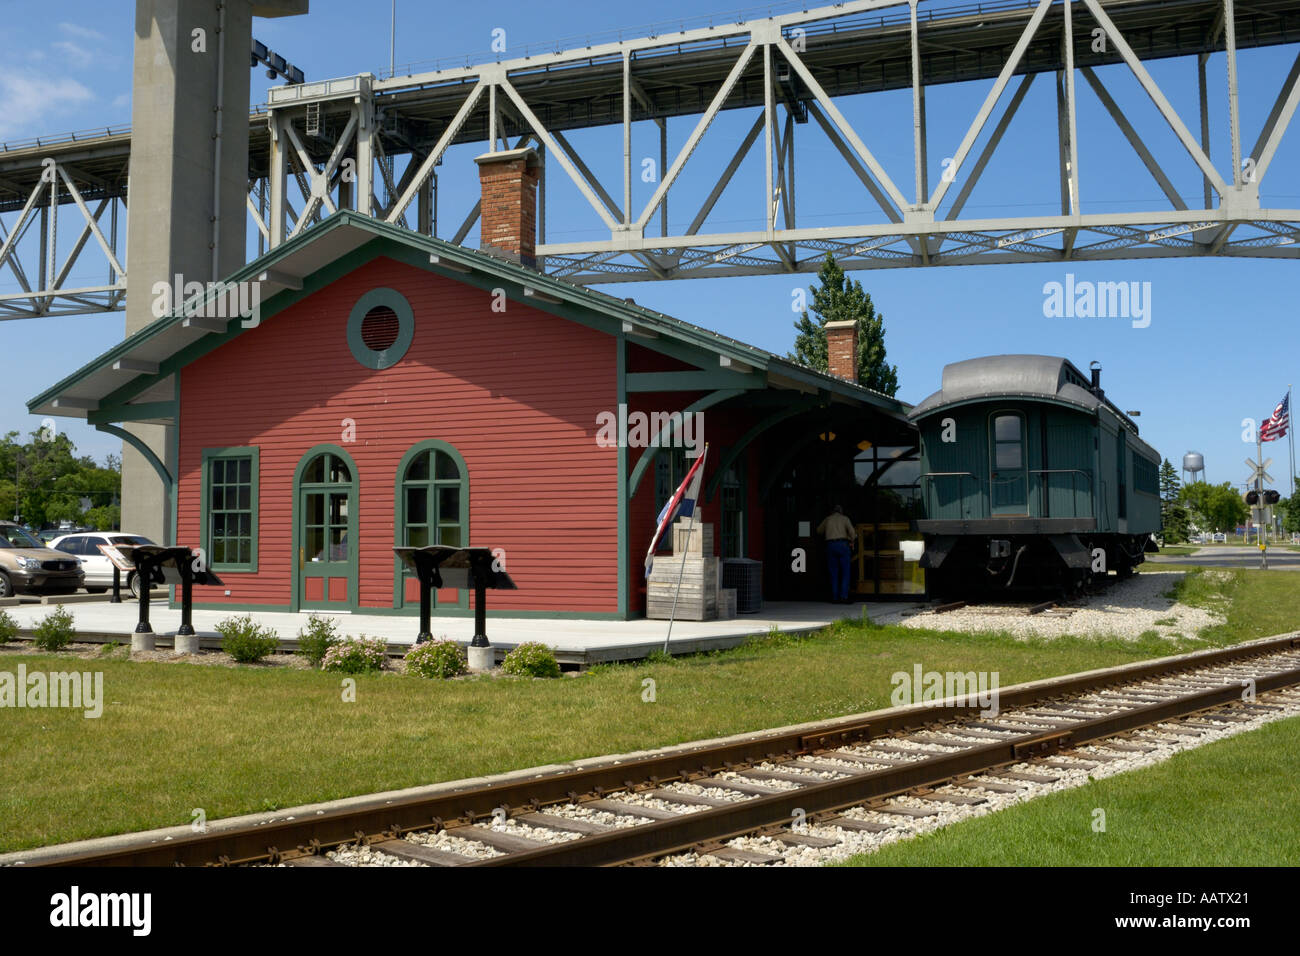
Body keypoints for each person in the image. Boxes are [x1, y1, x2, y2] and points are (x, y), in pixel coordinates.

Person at [817, 504, 856, 604]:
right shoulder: (845, 519)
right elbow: (853, 533)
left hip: (830, 545)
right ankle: (843, 597)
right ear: (841, 511)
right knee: (845, 572)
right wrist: (852, 540)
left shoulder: (827, 519)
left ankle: (835, 597)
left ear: (832, 511)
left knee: (833, 573)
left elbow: (819, 531)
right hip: (843, 544)